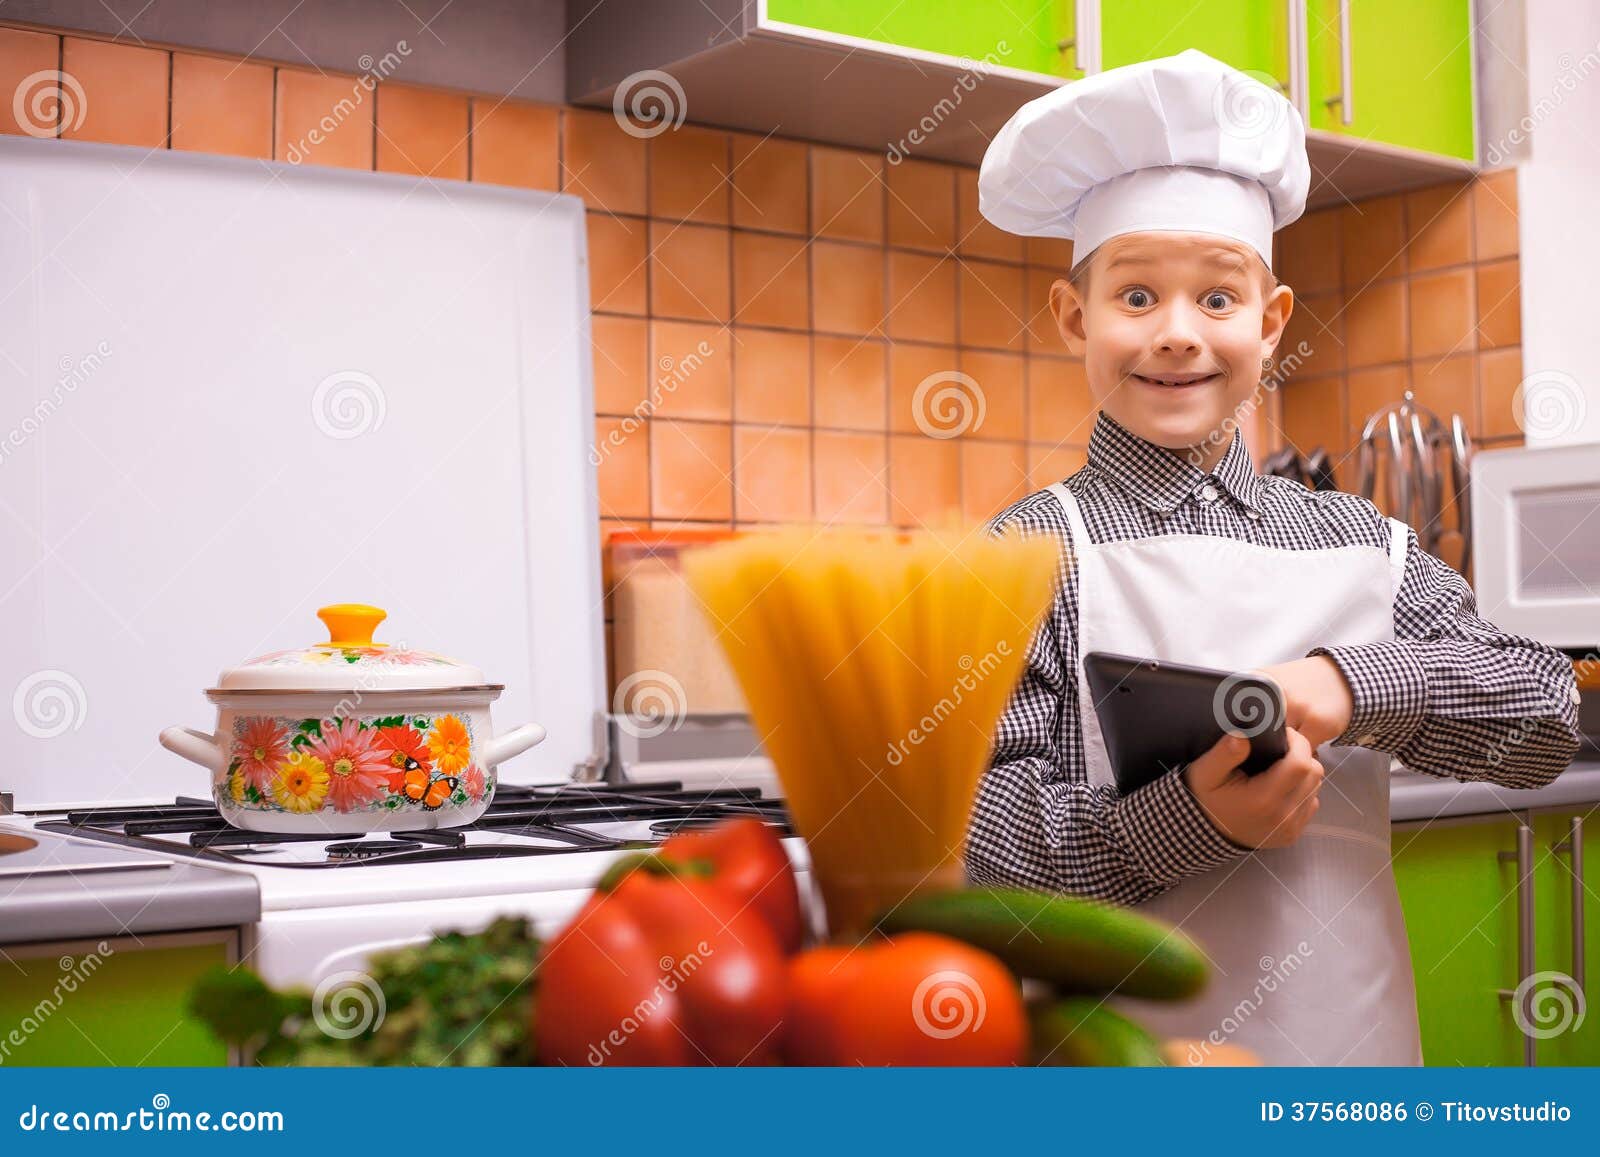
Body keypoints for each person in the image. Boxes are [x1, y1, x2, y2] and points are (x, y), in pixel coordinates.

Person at [966, 49, 1581, 1065]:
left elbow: (1543, 714)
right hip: (1125, 1075)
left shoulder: (1362, 543)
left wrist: (1349, 680)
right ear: (1073, 318)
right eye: (1134, 297)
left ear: (1270, 320)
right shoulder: (1028, 553)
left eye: (1216, 299)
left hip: (1350, 1056)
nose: (1176, 335)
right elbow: (981, 838)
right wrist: (1178, 819)